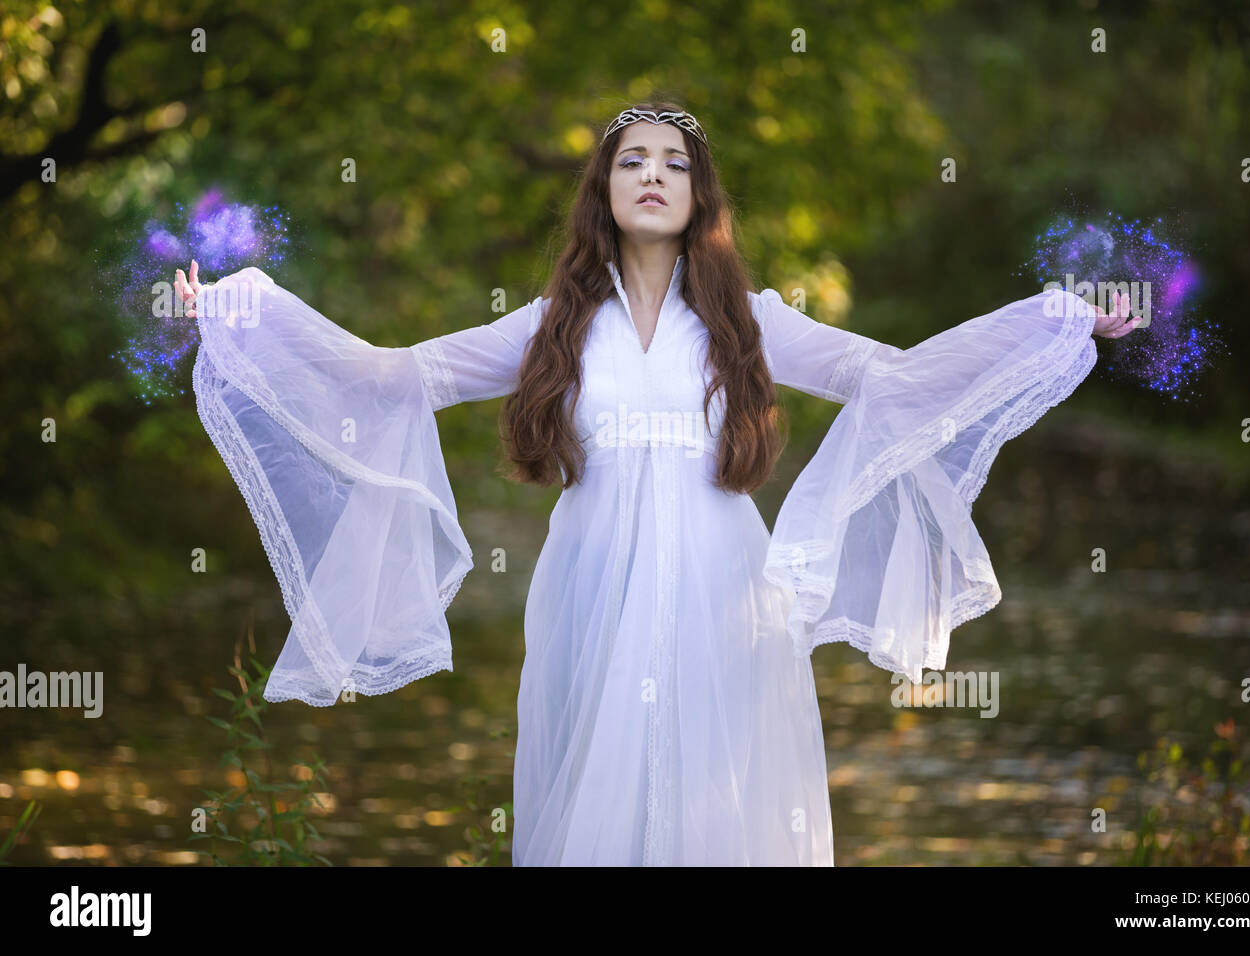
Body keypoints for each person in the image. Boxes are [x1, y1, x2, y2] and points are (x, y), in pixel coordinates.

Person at [176, 101, 1140, 867]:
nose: (652, 174)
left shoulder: (752, 323)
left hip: (726, 591)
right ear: (604, 190)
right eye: (632, 160)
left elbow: (896, 380)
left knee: (714, 797)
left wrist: (1053, 323)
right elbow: (397, 379)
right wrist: (245, 315)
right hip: (586, 584)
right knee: (595, 786)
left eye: (675, 164)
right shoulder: (552, 322)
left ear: (701, 197)